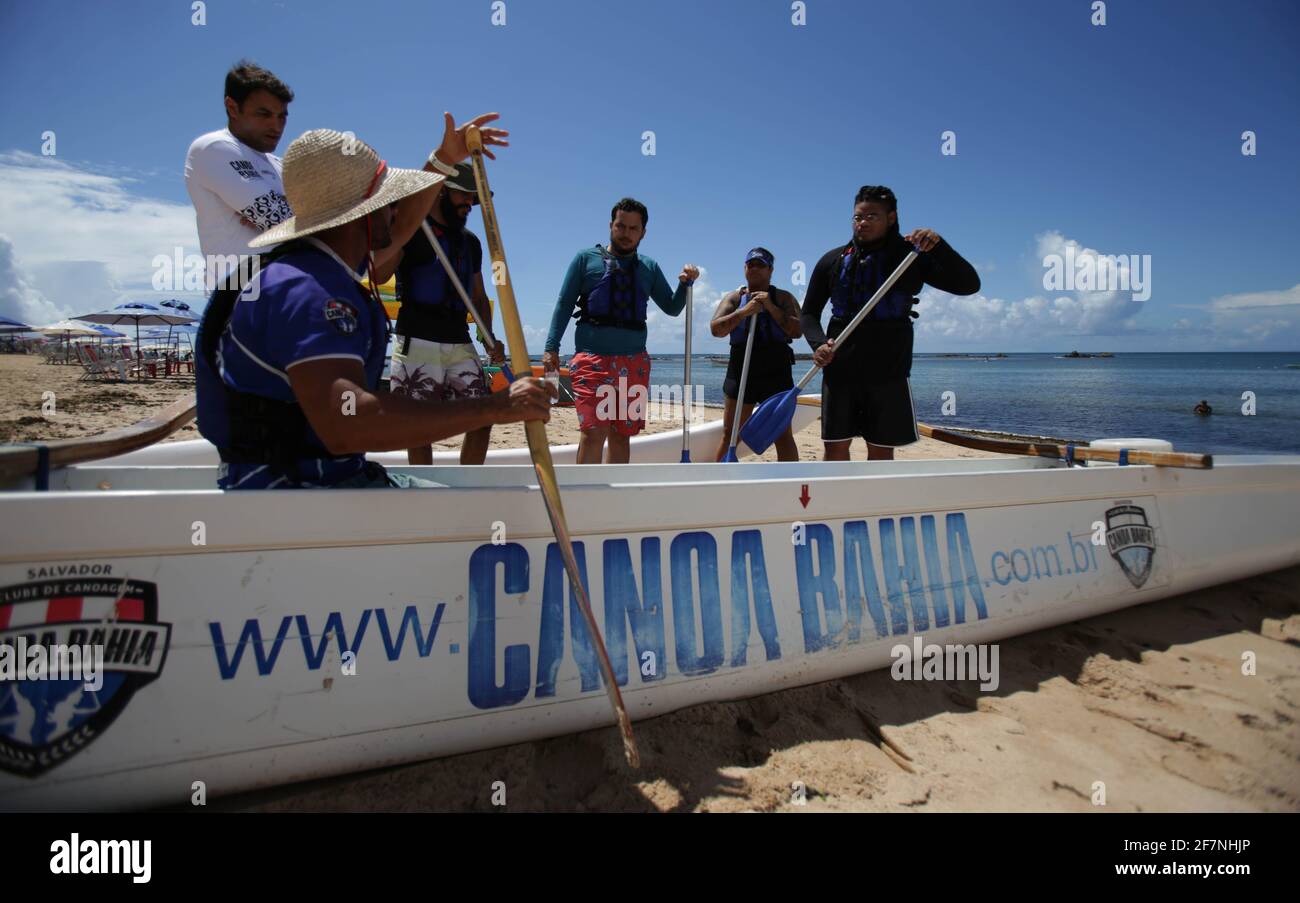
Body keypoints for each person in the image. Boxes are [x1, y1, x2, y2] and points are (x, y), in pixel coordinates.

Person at [195, 124, 552, 490]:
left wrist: (443, 160)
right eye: (388, 200)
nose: (397, 209)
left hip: (314, 479)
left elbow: (403, 228)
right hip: (298, 492)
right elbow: (347, 423)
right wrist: (495, 407)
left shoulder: (313, 266)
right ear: (364, 212)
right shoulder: (311, 291)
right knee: (466, 510)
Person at [801, 185, 980, 461]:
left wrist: (940, 247)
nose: (862, 223)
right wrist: (818, 344)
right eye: (858, 217)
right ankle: (838, 502)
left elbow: (969, 284)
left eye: (872, 216)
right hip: (841, 366)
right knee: (835, 447)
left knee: (881, 449)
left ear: (892, 218)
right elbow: (809, 313)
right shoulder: (833, 260)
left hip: (888, 369)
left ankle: (875, 504)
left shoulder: (911, 257)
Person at [542, 199, 698, 463]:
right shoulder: (584, 260)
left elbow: (672, 308)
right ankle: (584, 496)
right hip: (592, 359)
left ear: (643, 232)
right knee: (593, 432)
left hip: (634, 360)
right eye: (620, 226)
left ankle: (612, 500)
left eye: (633, 228)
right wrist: (550, 347)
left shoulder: (648, 267)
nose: (626, 233)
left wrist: (685, 285)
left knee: (621, 434)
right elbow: (564, 303)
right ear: (610, 226)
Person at [371, 163, 504, 465]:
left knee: (482, 418)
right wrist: (401, 227)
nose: (469, 204)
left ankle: (468, 488)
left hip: (459, 337)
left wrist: (489, 337)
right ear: (441, 192)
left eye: (473, 198)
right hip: (416, 338)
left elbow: (479, 297)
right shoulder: (413, 232)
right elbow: (379, 275)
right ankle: (426, 490)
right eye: (463, 196)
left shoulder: (470, 242)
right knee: (419, 428)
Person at [184, 60, 295, 285]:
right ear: (233, 108)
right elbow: (278, 218)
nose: (276, 126)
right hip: (239, 299)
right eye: (264, 114)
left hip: (281, 292)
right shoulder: (213, 147)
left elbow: (299, 222)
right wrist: (290, 210)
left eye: (282, 116)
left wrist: (291, 211)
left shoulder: (278, 164)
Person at [709, 247, 802, 461]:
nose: (755, 269)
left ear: (770, 270)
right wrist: (744, 312)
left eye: (761, 265)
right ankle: (720, 480)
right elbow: (716, 329)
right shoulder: (734, 298)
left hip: (776, 371)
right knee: (731, 434)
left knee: (782, 434)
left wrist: (770, 306)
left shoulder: (783, 298)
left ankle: (788, 481)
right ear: (744, 268)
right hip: (741, 370)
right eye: (751, 265)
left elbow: (797, 331)